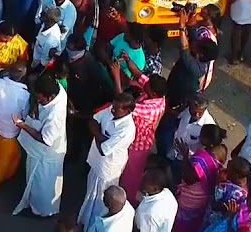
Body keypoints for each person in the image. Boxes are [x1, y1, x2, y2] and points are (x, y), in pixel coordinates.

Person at [78, 92, 137, 231]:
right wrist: (101, 137)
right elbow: (93, 121)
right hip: (96, 161)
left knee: (102, 201)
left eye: (117, 109)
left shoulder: (127, 129)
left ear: (127, 111)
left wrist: (97, 133)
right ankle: (85, 224)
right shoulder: (112, 111)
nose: (112, 110)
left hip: (108, 168)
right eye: (113, 107)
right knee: (90, 194)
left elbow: (104, 149)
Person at [12, 74, 69, 217]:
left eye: (40, 99)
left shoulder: (54, 115)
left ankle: (42, 211)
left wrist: (22, 125)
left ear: (49, 97)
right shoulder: (57, 89)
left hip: (46, 153)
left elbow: (44, 139)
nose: (38, 101)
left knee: (42, 184)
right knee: (35, 179)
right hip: (41, 148)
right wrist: (35, 105)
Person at [174, 123, 227, 232]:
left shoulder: (201, 160)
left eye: (202, 136)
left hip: (192, 197)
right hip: (205, 195)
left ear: (209, 142)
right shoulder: (223, 150)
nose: (200, 137)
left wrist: (185, 155)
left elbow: (189, 179)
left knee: (181, 223)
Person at [135, 166, 178, 232]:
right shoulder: (168, 194)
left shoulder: (148, 214)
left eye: (145, 182)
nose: (142, 183)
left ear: (155, 189)